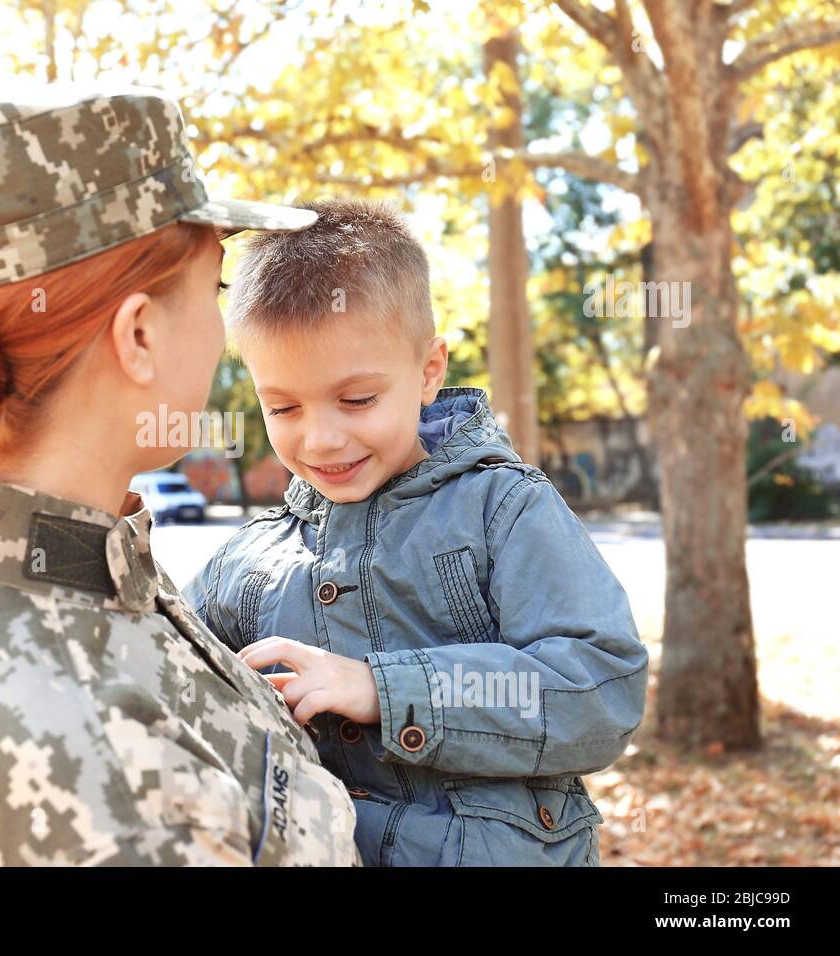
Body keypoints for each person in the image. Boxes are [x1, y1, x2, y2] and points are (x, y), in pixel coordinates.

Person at [0, 85, 361, 866]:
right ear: (141, 333)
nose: (221, 331)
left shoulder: (77, 569)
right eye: (214, 288)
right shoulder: (94, 761)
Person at [182, 197, 649, 866]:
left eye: (357, 400)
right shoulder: (249, 561)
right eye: (281, 405)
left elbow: (601, 689)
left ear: (430, 371)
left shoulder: (503, 510)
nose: (320, 437)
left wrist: (384, 689)